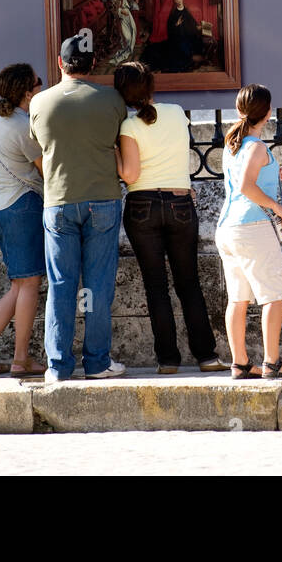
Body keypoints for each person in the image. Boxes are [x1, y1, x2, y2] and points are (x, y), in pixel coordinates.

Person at [113, 61, 227, 374]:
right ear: (150, 86)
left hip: (142, 204)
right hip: (180, 202)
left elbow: (130, 173)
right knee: (189, 283)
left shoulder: (127, 126)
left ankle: (168, 360)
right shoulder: (177, 112)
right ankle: (207, 356)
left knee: (156, 286)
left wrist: (114, 152)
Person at [30, 35, 129, 383]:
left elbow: (40, 147)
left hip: (58, 201)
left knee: (60, 284)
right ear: (93, 66)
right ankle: (97, 361)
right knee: (97, 285)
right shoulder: (111, 100)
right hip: (102, 198)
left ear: (60, 63)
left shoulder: (40, 103)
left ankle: (57, 365)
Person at [215, 83, 282, 380]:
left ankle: (240, 363)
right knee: (274, 295)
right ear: (267, 113)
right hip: (252, 226)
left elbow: (245, 178)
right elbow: (247, 187)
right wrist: (280, 209)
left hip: (228, 227)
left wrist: (275, 173)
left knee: (238, 298)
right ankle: (272, 362)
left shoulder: (233, 145)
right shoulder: (256, 146)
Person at [0, 63, 48, 378]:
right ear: (27, 92)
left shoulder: (1, 120)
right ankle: (20, 359)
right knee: (29, 285)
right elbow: (47, 169)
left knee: (18, 286)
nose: (40, 86)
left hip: (1, 207)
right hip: (23, 207)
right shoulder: (23, 127)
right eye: (37, 83)